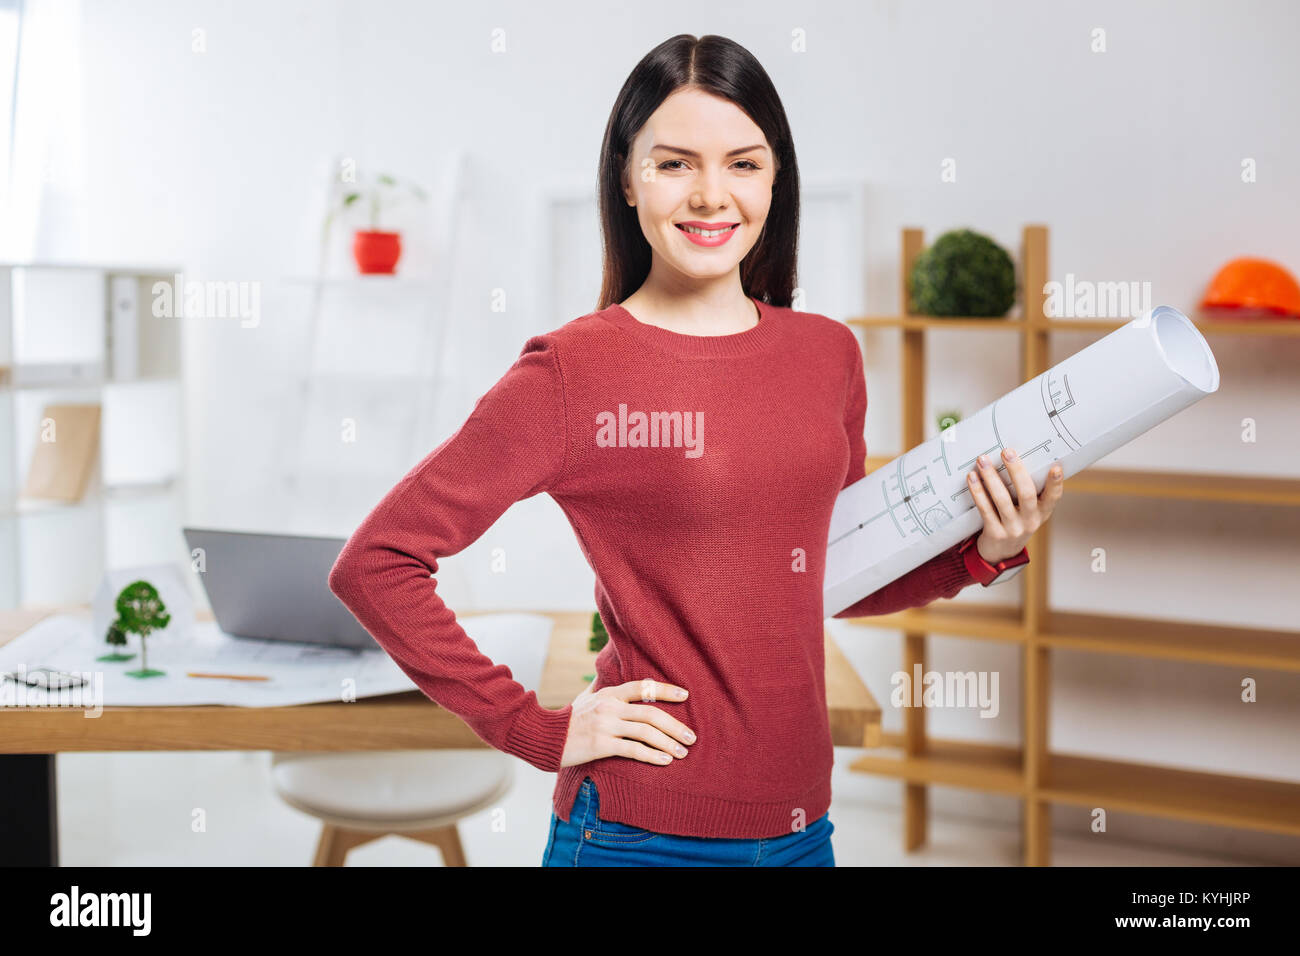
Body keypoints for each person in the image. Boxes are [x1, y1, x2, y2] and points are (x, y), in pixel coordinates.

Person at [328, 33, 1065, 868]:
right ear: (627, 177)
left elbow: (822, 577)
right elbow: (376, 561)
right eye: (675, 164)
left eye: (743, 164)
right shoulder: (574, 370)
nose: (713, 196)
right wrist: (533, 727)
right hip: (636, 835)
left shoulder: (828, 355)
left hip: (801, 826)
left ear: (776, 177)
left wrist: (982, 555)